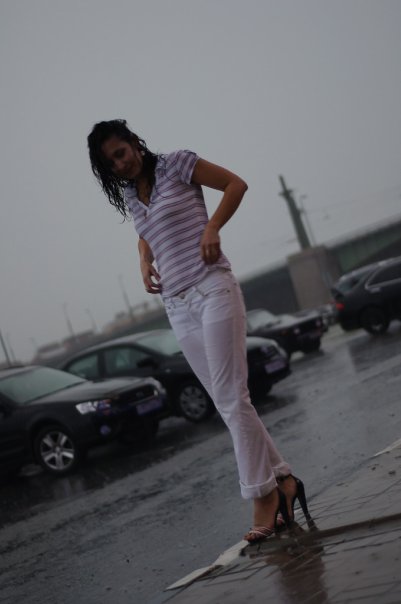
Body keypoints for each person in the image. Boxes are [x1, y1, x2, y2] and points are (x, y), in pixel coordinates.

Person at [87, 119, 310, 543]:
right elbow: (146, 232)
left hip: (212, 288)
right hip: (177, 305)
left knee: (232, 397)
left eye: (121, 153)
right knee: (228, 402)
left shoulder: (177, 164)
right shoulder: (132, 195)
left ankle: (261, 494)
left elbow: (235, 184)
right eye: (110, 162)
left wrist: (212, 227)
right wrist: (143, 260)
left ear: (134, 143)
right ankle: (283, 480)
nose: (120, 164)